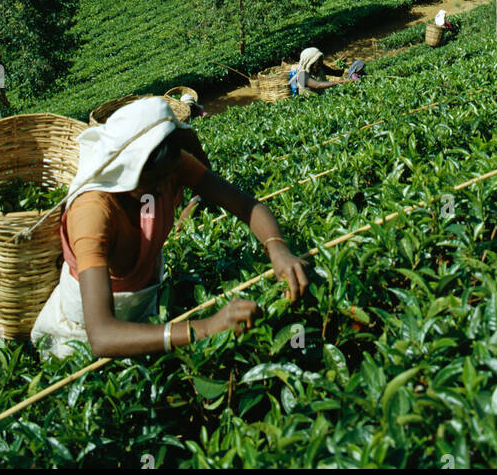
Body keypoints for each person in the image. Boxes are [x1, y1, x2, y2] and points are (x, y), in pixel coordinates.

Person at [31, 97, 308, 360]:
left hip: (147, 309)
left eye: (169, 177)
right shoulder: (92, 212)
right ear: (127, 171)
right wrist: (205, 328)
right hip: (83, 333)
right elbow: (102, 335)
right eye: (154, 181)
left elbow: (245, 205)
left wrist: (277, 247)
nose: (164, 188)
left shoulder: (169, 166)